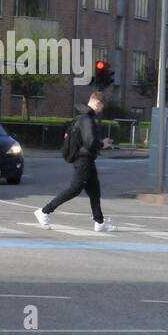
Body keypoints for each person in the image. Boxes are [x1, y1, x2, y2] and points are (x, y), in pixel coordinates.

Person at [35, 91, 115, 232]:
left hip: (87, 159)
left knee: (95, 191)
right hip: (83, 160)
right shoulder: (86, 119)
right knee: (74, 189)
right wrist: (103, 144)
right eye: (102, 107)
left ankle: (99, 222)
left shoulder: (80, 117)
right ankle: (44, 211)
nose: (101, 110)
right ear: (97, 103)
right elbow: (90, 142)